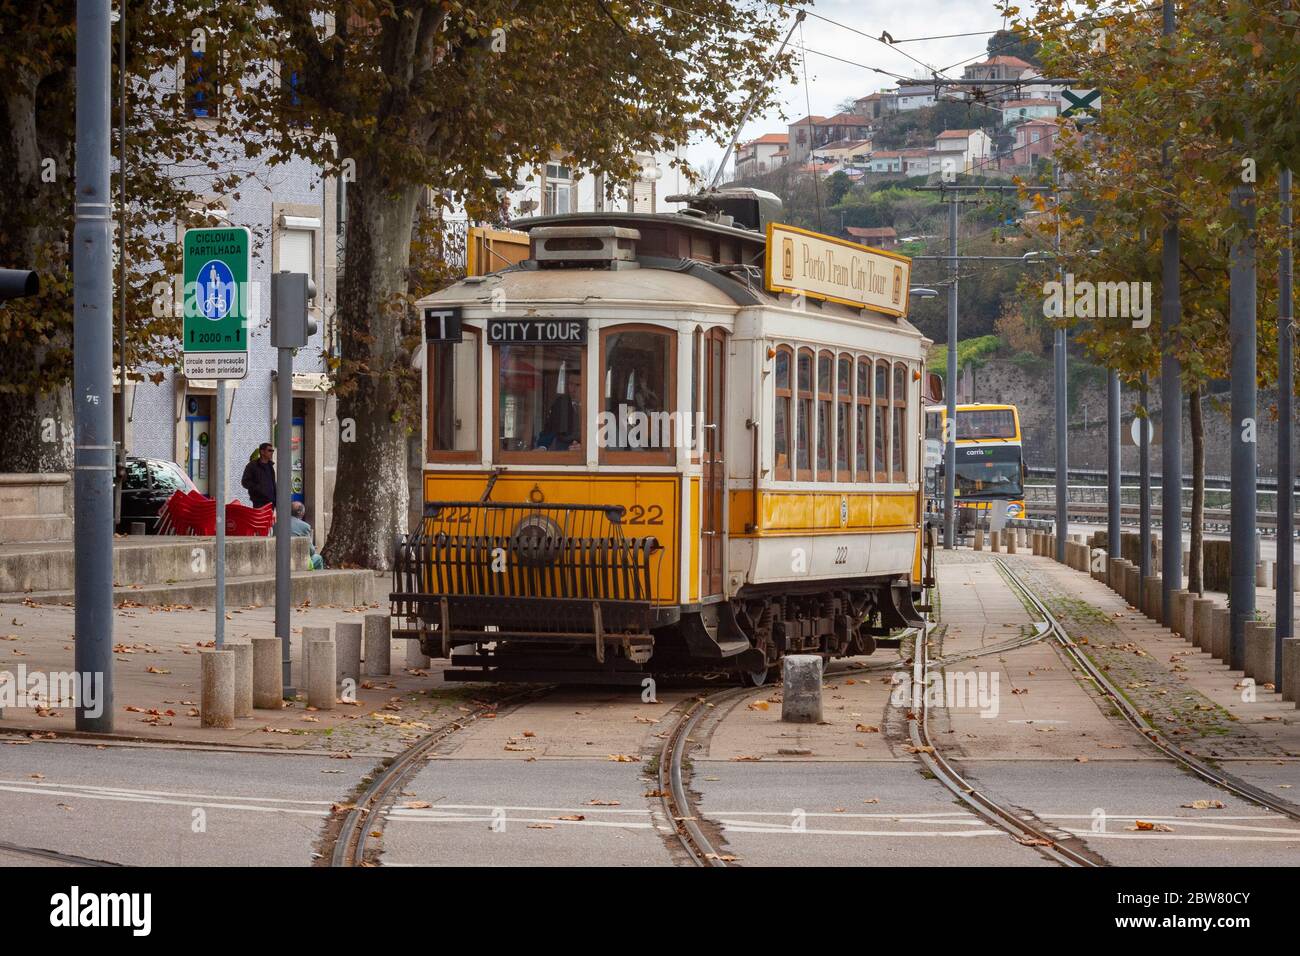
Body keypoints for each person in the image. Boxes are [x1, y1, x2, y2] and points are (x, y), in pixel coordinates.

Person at [542, 373, 582, 450]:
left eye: (577, 385)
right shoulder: (560, 403)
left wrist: (585, 446)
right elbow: (549, 430)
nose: (572, 389)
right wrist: (542, 447)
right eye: (570, 384)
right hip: (562, 448)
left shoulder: (594, 405)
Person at [285, 501, 325, 570]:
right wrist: (313, 548)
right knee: (318, 558)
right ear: (300, 512)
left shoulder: (276, 525)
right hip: (296, 561)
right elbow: (311, 551)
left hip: (280, 559)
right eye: (303, 511)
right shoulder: (305, 526)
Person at [241, 442, 276, 509]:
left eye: (272, 451)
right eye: (269, 450)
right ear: (262, 452)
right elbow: (245, 482)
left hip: (271, 502)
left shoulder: (270, 466)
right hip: (259, 502)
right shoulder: (252, 466)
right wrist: (259, 488)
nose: (271, 452)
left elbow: (272, 483)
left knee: (269, 519)